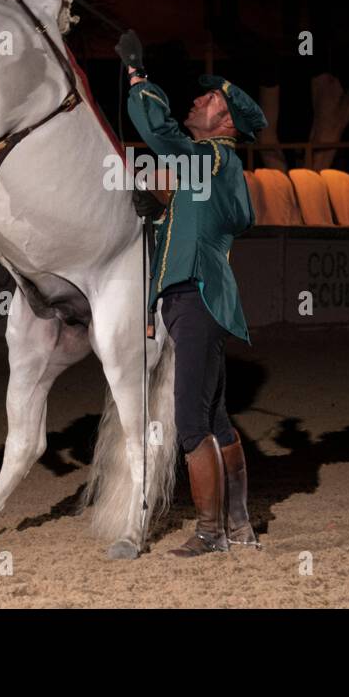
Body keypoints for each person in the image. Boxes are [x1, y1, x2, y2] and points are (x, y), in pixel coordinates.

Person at [117, 29, 266, 557]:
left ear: (225, 122)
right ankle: (239, 526)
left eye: (210, 100)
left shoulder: (214, 158)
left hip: (195, 298)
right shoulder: (211, 172)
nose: (198, 100)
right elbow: (192, 226)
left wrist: (138, 76)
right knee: (217, 418)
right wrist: (159, 214)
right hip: (190, 299)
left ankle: (210, 532)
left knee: (190, 425)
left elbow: (161, 133)